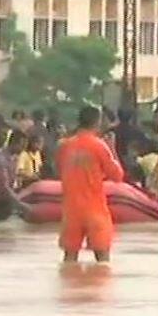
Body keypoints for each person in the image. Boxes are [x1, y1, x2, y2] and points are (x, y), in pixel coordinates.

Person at [57, 106, 124, 263]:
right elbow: (118, 176)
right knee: (102, 259)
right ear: (97, 122)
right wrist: (112, 148)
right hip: (94, 209)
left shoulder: (65, 146)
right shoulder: (100, 146)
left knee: (69, 258)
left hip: (71, 209)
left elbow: (59, 169)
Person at [0, 130, 31, 223]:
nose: (23, 149)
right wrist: (21, 204)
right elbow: (3, 187)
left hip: (5, 201)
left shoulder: (12, 159)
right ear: (15, 144)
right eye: (22, 146)